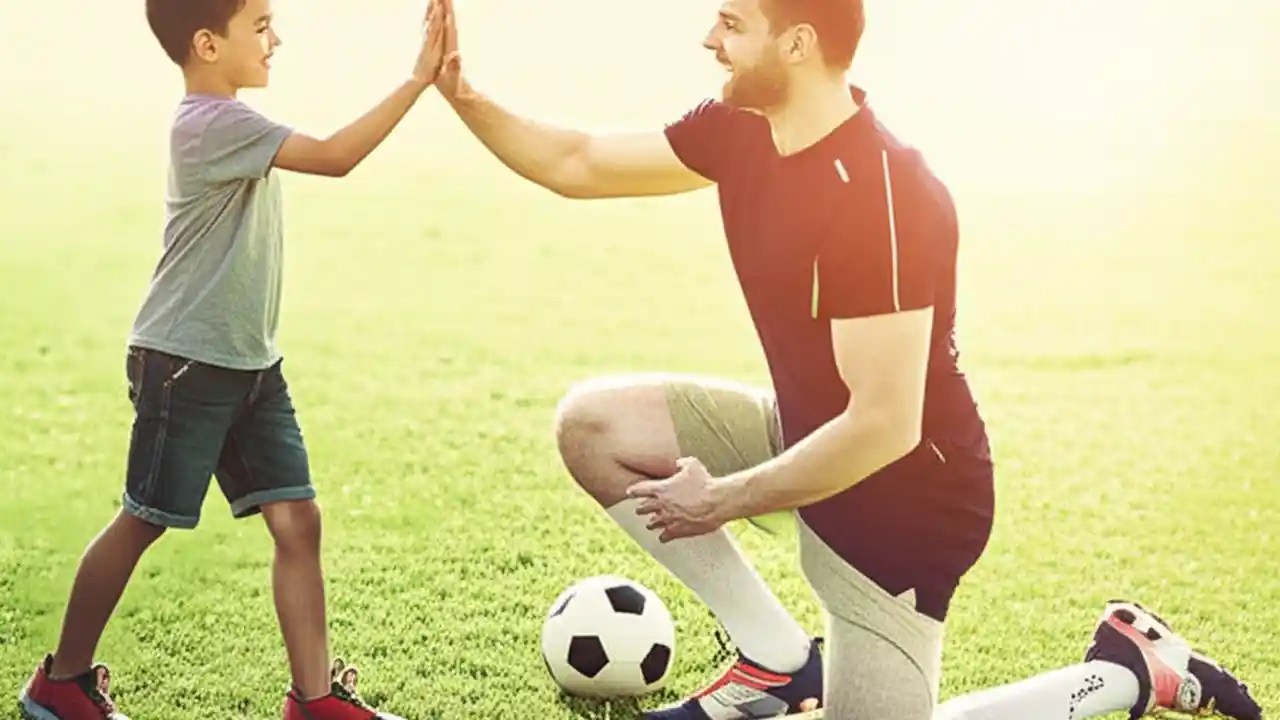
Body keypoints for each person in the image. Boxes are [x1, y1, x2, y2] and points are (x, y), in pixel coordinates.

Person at [429, 0, 1263, 717]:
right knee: (594, 426)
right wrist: (460, 91)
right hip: (804, 435)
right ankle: (777, 662)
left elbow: (882, 426)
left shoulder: (887, 195)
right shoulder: (738, 133)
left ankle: (1126, 672)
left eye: (731, 24)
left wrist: (719, 498)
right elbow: (576, 163)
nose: (708, 39)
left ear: (796, 44)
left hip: (904, 509)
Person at [16, 0, 448, 717]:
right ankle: (60, 684)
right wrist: (417, 79)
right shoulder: (211, 123)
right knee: (144, 518)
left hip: (250, 366)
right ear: (208, 43)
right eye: (261, 26)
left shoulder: (230, 122)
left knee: (298, 521)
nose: (276, 38)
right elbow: (337, 157)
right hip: (185, 364)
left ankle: (313, 701)